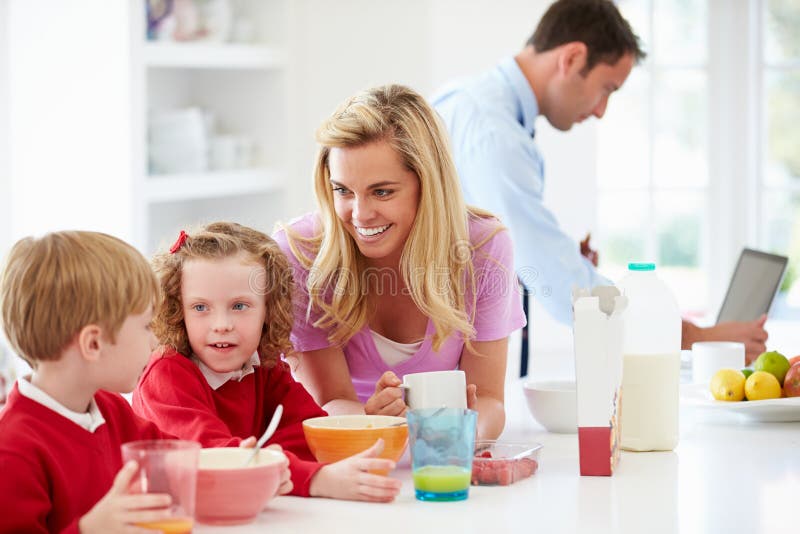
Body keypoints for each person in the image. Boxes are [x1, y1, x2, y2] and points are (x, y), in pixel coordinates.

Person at [432, 0, 768, 363]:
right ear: (572, 58)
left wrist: (550, 257)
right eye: (606, 88)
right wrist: (691, 336)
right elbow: (559, 284)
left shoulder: (475, 104)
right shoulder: (494, 134)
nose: (600, 110)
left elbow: (496, 247)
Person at [274, 84, 526, 441]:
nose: (359, 214)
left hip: (442, 457)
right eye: (343, 190)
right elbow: (328, 401)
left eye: (382, 192)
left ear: (428, 184)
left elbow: (487, 398)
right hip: (349, 450)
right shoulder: (300, 254)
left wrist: (462, 434)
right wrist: (370, 421)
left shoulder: (483, 247)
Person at [133, 222, 402, 502]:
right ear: (179, 311)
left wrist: (366, 425)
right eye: (200, 307)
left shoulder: (264, 366)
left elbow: (307, 435)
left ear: (268, 309)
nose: (221, 325)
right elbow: (215, 458)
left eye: (239, 306)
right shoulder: (165, 375)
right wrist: (315, 479)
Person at [0, 231, 179, 532]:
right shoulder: (13, 452)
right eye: (147, 325)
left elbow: (177, 461)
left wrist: (247, 461)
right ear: (93, 344)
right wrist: (90, 530)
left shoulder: (109, 408)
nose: (155, 341)